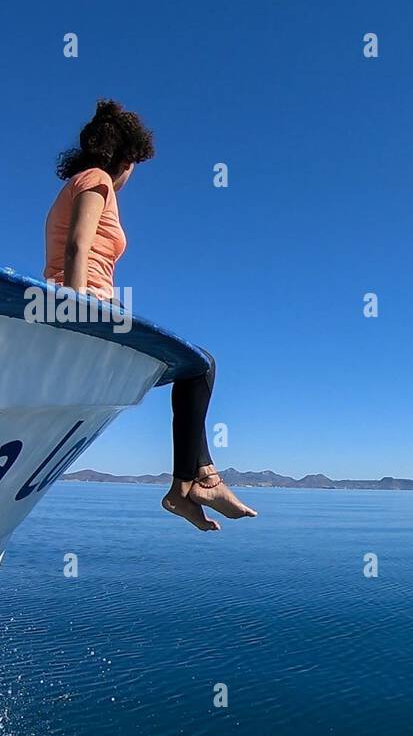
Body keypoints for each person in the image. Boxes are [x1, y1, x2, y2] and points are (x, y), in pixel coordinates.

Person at [44, 99, 255, 531]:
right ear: (126, 158)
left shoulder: (82, 181)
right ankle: (192, 485)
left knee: (199, 366)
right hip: (79, 306)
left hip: (90, 302)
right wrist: (78, 311)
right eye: (135, 164)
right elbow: (77, 247)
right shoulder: (98, 180)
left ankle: (192, 484)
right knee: (200, 365)